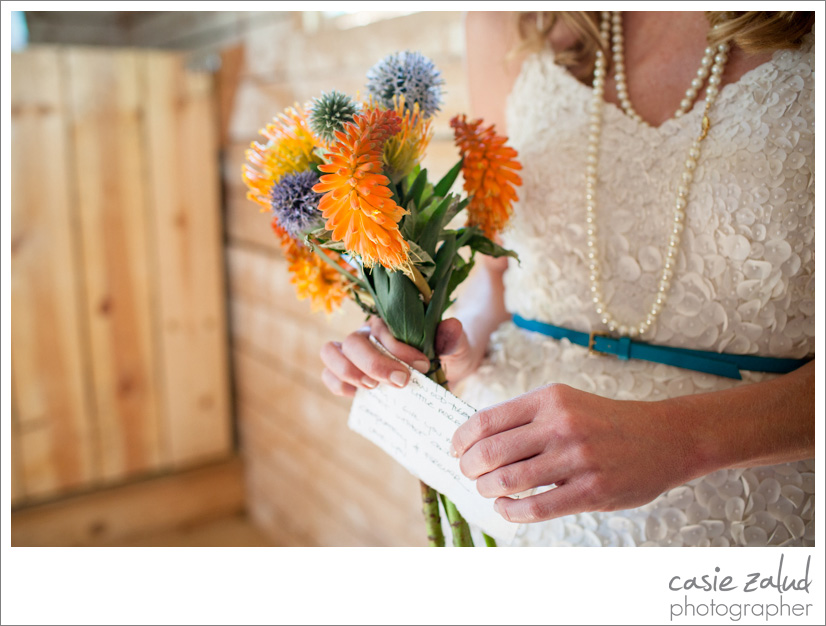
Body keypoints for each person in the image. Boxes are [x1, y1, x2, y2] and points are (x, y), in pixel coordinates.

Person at [320, 11, 815, 547]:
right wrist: (437, 347)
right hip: (507, 494)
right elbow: (497, 280)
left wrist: (684, 439)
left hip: (750, 519)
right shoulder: (508, 22)